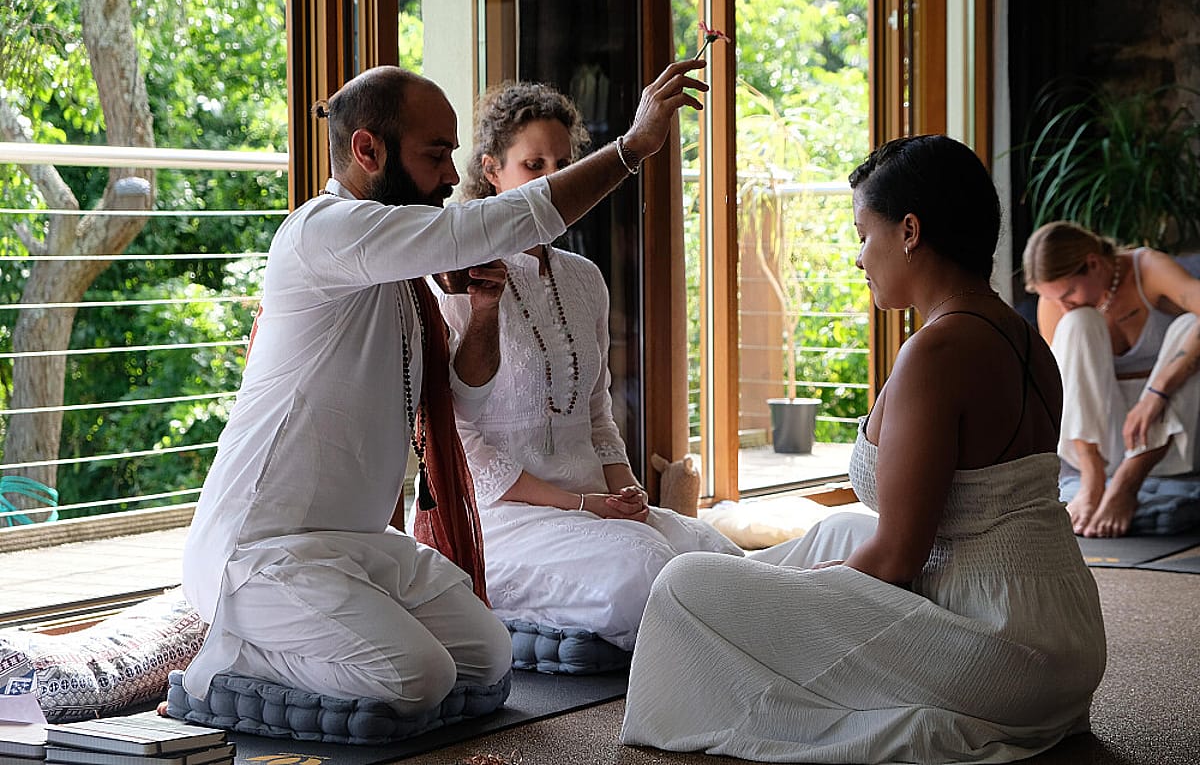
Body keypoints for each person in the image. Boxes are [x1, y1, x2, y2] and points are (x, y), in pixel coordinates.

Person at [179, 60, 707, 713]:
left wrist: (483, 312)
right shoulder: (323, 232)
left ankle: (286, 644)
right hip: (262, 548)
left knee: (488, 659)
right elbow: (489, 224)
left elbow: (467, 399)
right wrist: (629, 150)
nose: (451, 175)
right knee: (418, 676)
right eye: (435, 155)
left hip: (362, 542)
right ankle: (221, 664)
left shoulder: (400, 273)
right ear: (367, 150)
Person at [619, 134, 1106, 763]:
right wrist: (834, 573)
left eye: (861, 234)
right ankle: (742, 576)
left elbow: (899, 558)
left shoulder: (936, 352)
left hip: (1002, 649)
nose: (858, 258)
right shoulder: (1023, 335)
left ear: (909, 230)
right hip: (1064, 633)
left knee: (683, 583)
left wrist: (839, 583)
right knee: (840, 528)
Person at [433, 82, 741, 651]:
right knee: (650, 571)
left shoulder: (583, 278)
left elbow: (596, 411)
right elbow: (462, 444)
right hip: (505, 522)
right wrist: (584, 505)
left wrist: (625, 494)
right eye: (533, 165)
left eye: (562, 164)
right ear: (490, 171)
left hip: (595, 507)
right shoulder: (454, 275)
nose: (553, 180)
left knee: (713, 551)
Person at [1023, 221, 1200, 537]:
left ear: (1092, 263)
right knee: (1077, 323)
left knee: (1189, 325)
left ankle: (1126, 484)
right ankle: (1091, 482)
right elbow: (1062, 387)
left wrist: (1155, 394)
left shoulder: (1147, 268)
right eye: (1055, 299)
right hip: (1102, 446)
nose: (1063, 306)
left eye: (1068, 293)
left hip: (1170, 441)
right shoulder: (1058, 305)